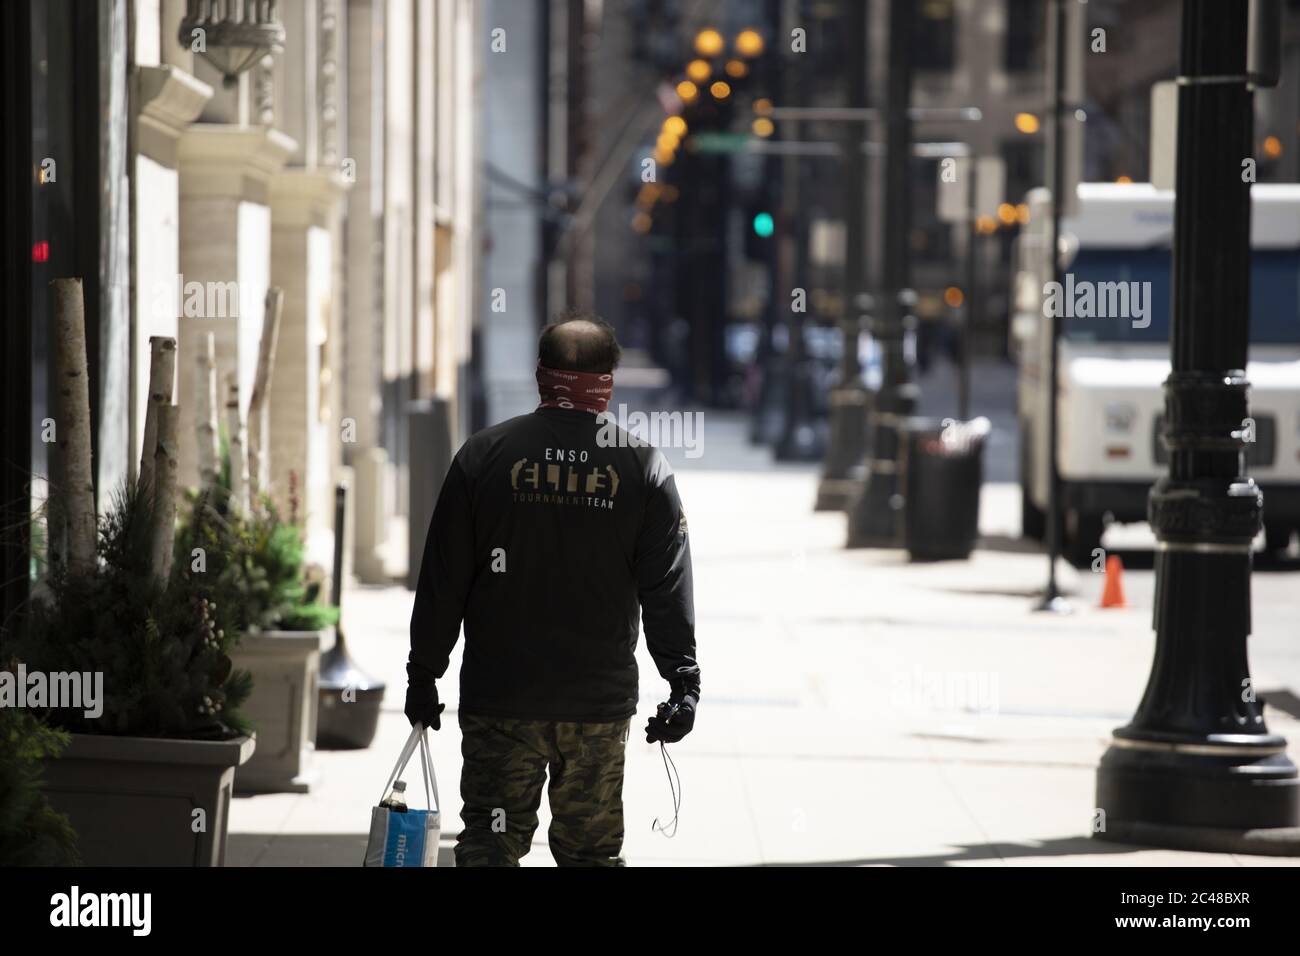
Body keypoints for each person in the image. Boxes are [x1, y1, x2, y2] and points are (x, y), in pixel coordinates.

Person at [405, 312, 701, 867]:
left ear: (541, 374)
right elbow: (665, 586)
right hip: (596, 704)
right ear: (607, 383)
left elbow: (444, 576)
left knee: (490, 846)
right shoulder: (643, 467)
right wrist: (682, 680)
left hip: (502, 698)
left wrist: (425, 671)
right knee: (590, 855)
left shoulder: (483, 456)